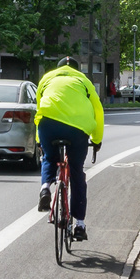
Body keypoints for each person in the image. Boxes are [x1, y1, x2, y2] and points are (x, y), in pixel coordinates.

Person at [35, 57, 104, 241]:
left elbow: (39, 108)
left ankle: (45, 188)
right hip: (77, 128)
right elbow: (98, 111)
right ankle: (79, 224)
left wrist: (39, 141)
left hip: (48, 124)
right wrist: (97, 140)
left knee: (49, 158)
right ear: (76, 68)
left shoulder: (46, 79)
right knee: (76, 172)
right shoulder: (84, 80)